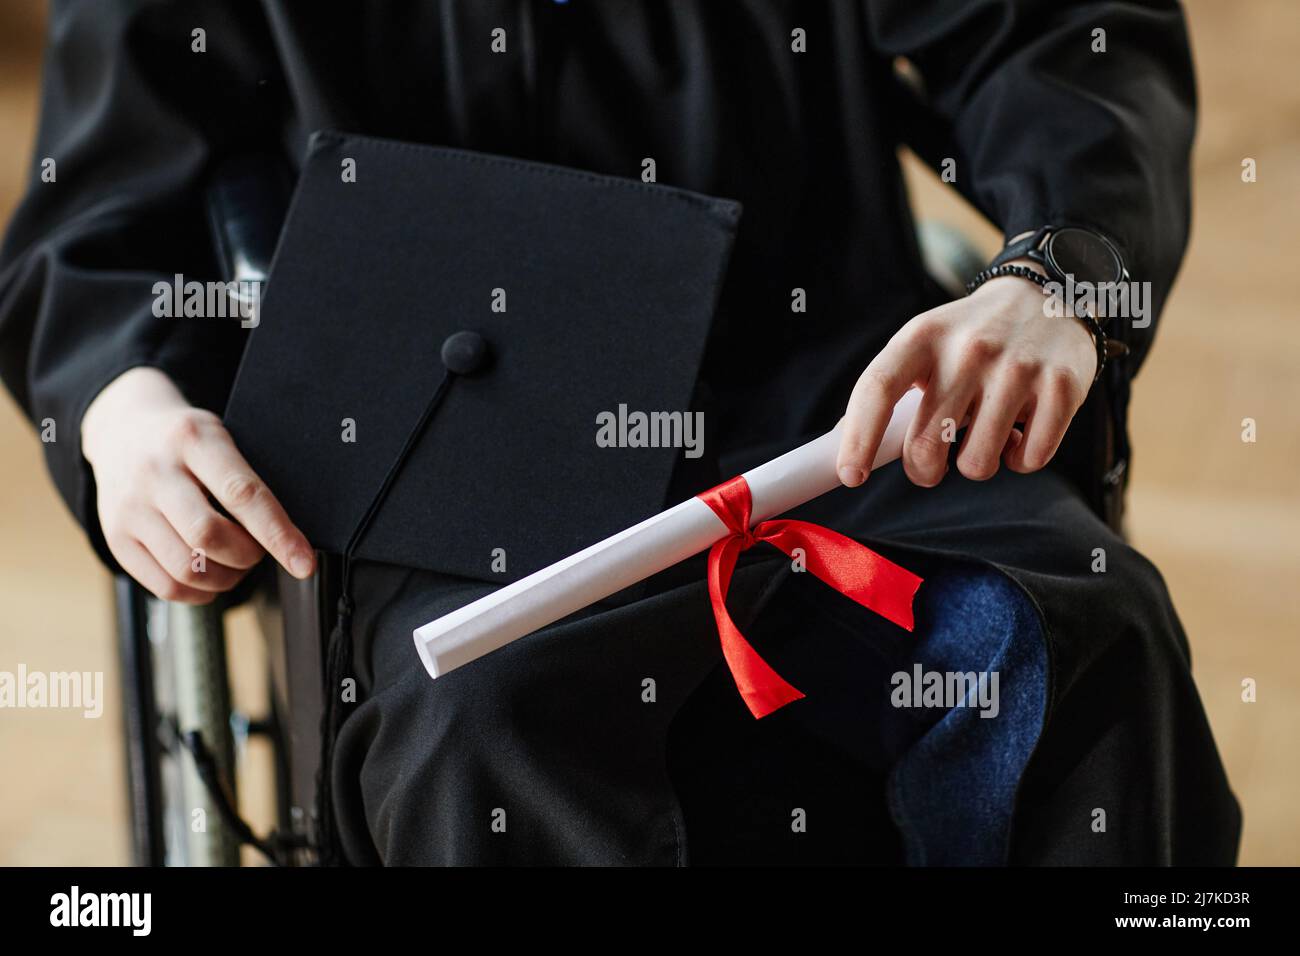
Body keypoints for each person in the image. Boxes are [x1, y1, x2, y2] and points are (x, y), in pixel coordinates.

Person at [0, 0, 1239, 865]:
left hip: (836, 403)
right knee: (484, 735)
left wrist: (1056, 274)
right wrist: (126, 406)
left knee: (1087, 633)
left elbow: (1055, 35)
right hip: (446, 451)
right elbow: (97, 216)